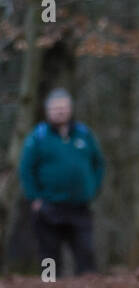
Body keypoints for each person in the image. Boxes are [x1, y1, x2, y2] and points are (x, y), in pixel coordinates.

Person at [19, 88, 105, 275]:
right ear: (47, 111)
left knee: (86, 253)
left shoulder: (84, 134)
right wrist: (35, 198)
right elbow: (26, 169)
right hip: (49, 208)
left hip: (79, 206)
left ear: (71, 109)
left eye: (63, 107)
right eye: (56, 108)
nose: (60, 111)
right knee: (49, 257)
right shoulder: (38, 137)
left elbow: (99, 164)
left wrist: (92, 189)